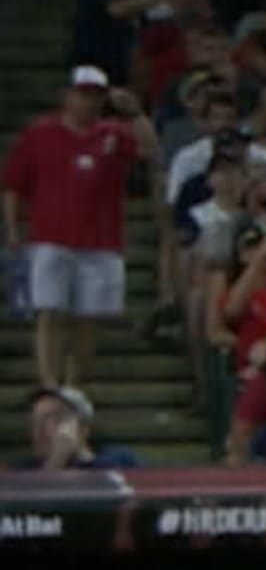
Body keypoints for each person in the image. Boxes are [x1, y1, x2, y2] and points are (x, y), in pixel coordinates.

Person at [3, 66, 155, 396]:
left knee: (88, 318)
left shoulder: (114, 134)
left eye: (95, 96)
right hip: (50, 238)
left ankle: (74, 385)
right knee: (48, 312)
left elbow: (149, 151)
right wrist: (13, 229)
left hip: (100, 241)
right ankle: (48, 382)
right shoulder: (39, 134)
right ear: (67, 96)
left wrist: (136, 113)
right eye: (83, 94)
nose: (88, 102)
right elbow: (14, 185)